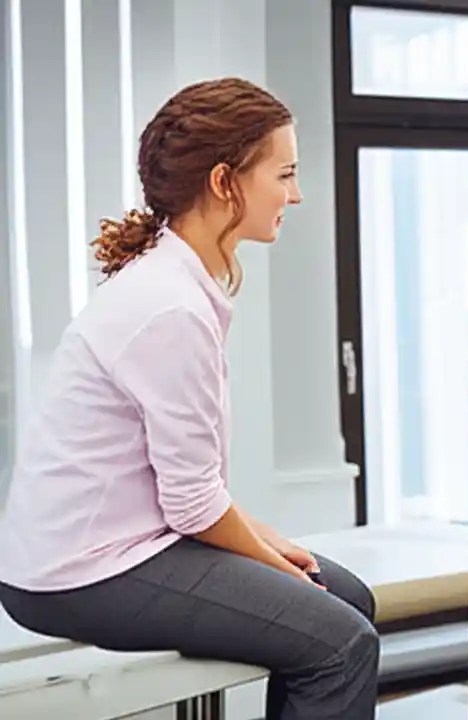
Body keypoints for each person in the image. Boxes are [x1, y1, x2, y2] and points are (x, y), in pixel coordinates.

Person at [0, 78, 379, 720]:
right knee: (341, 642)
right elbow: (191, 503)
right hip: (77, 574)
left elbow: (188, 482)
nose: (296, 193)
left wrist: (269, 543)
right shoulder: (169, 306)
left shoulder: (180, 283)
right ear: (226, 181)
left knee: (349, 600)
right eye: (283, 174)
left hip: (127, 543)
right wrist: (270, 561)